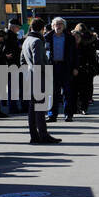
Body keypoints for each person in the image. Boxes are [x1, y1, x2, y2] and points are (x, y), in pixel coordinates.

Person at [20, 17, 60, 145]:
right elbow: (38, 62)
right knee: (40, 108)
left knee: (32, 109)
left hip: (30, 77)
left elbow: (22, 61)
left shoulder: (26, 40)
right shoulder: (37, 41)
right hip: (39, 77)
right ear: (42, 29)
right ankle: (43, 135)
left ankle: (34, 135)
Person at [47, 17, 72, 123]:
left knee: (67, 92)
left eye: (61, 24)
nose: (58, 26)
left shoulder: (69, 37)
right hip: (52, 67)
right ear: (53, 26)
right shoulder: (47, 37)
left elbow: (74, 54)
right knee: (52, 93)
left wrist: (75, 67)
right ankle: (52, 115)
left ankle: (68, 115)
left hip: (65, 67)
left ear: (64, 26)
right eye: (56, 24)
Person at [72, 25, 99, 114]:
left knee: (84, 90)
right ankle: (76, 107)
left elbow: (92, 58)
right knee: (75, 91)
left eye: (78, 37)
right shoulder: (70, 47)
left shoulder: (86, 46)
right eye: (75, 37)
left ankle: (83, 108)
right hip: (74, 71)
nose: (76, 38)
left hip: (85, 70)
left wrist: (95, 68)